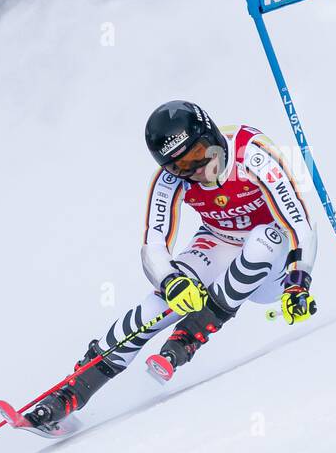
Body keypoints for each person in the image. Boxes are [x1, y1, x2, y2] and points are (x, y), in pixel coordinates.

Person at [25, 100, 318, 429]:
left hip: (275, 264)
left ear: (212, 134)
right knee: (166, 298)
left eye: (200, 155)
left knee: (266, 237)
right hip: (220, 241)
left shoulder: (253, 154)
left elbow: (300, 226)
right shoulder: (167, 183)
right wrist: (171, 282)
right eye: (181, 168)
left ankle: (187, 338)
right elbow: (153, 246)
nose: (198, 170)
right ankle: (72, 390)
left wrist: (298, 282)